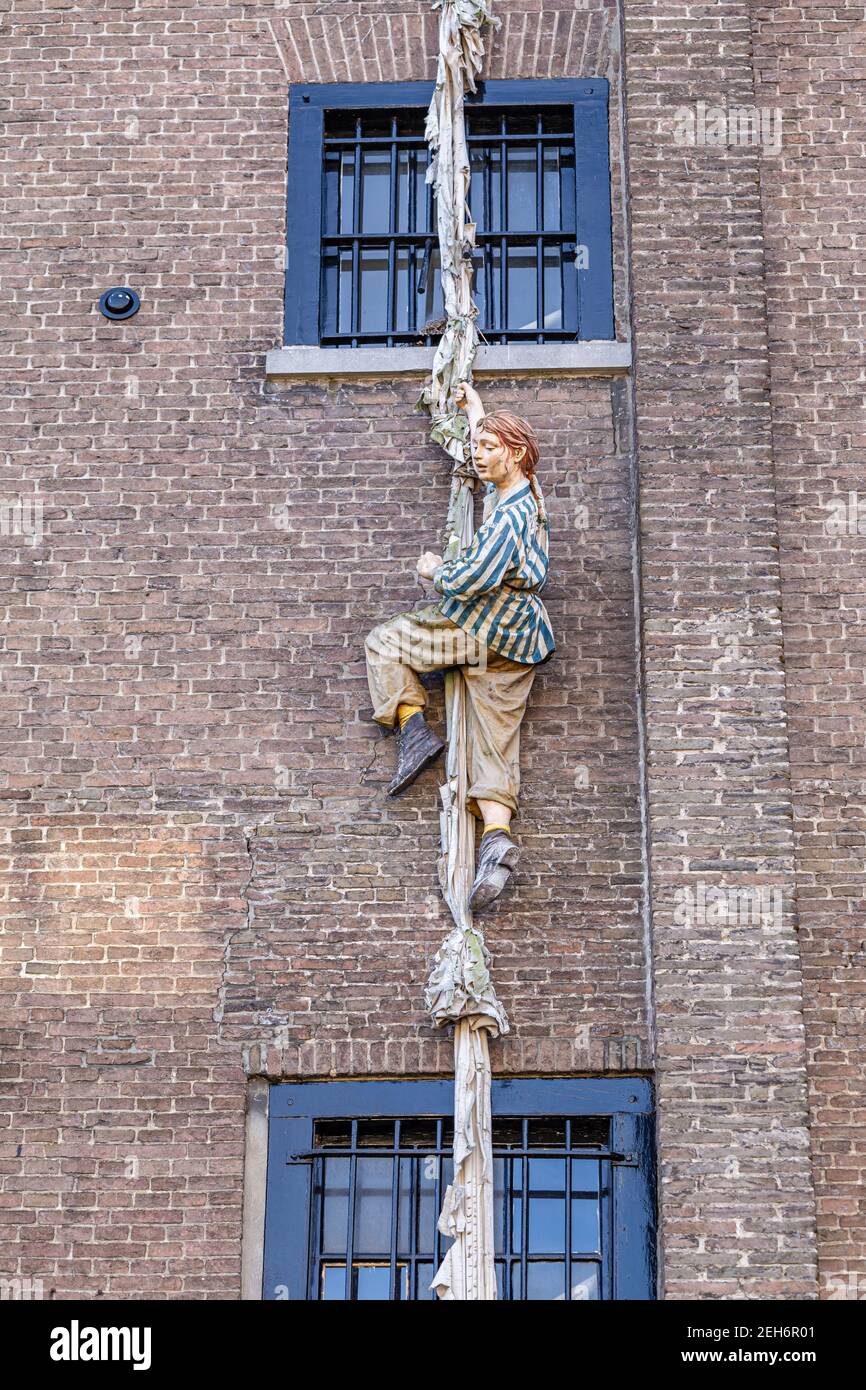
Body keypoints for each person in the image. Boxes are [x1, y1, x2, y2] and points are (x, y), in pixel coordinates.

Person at [364, 380, 555, 912]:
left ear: (514, 454)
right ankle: (496, 835)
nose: (478, 457)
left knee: (385, 642)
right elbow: (490, 466)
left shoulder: (509, 519)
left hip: (483, 628)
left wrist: (436, 571)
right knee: (493, 740)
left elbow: (471, 578)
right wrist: (476, 415)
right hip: (521, 642)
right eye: (479, 447)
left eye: (488, 449)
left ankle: (413, 733)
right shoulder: (526, 493)